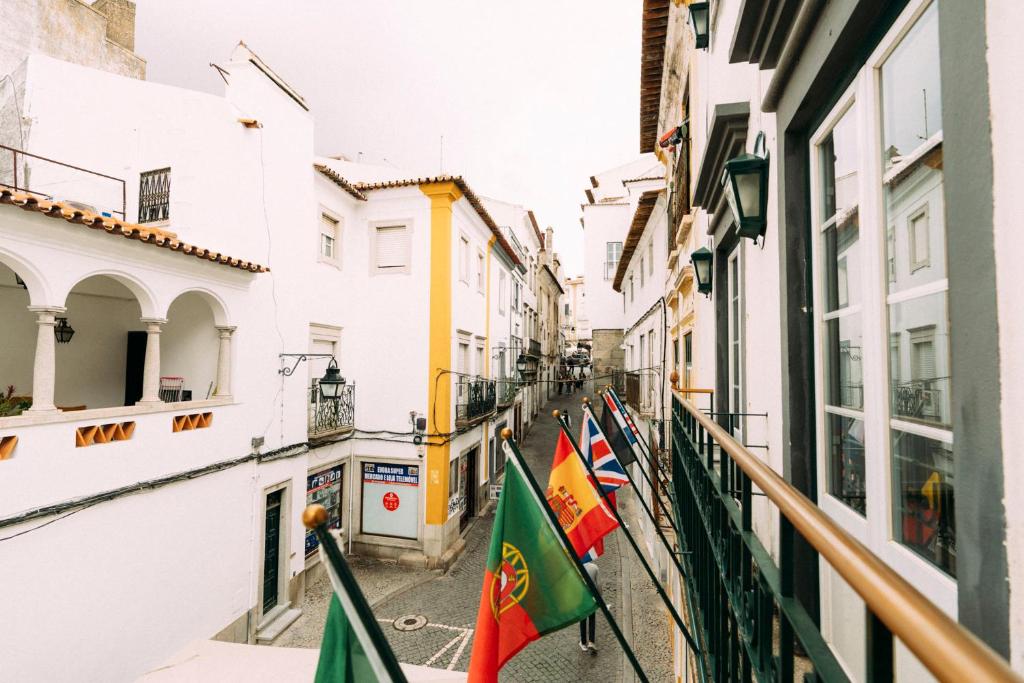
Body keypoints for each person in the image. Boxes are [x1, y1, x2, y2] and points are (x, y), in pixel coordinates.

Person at [578, 561, 599, 653]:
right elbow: (599, 584)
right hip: (591, 596)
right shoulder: (594, 567)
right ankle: (591, 641)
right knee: (592, 618)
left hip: (581, 597)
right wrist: (599, 597)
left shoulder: (578, 568)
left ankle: (583, 643)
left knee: (582, 619)